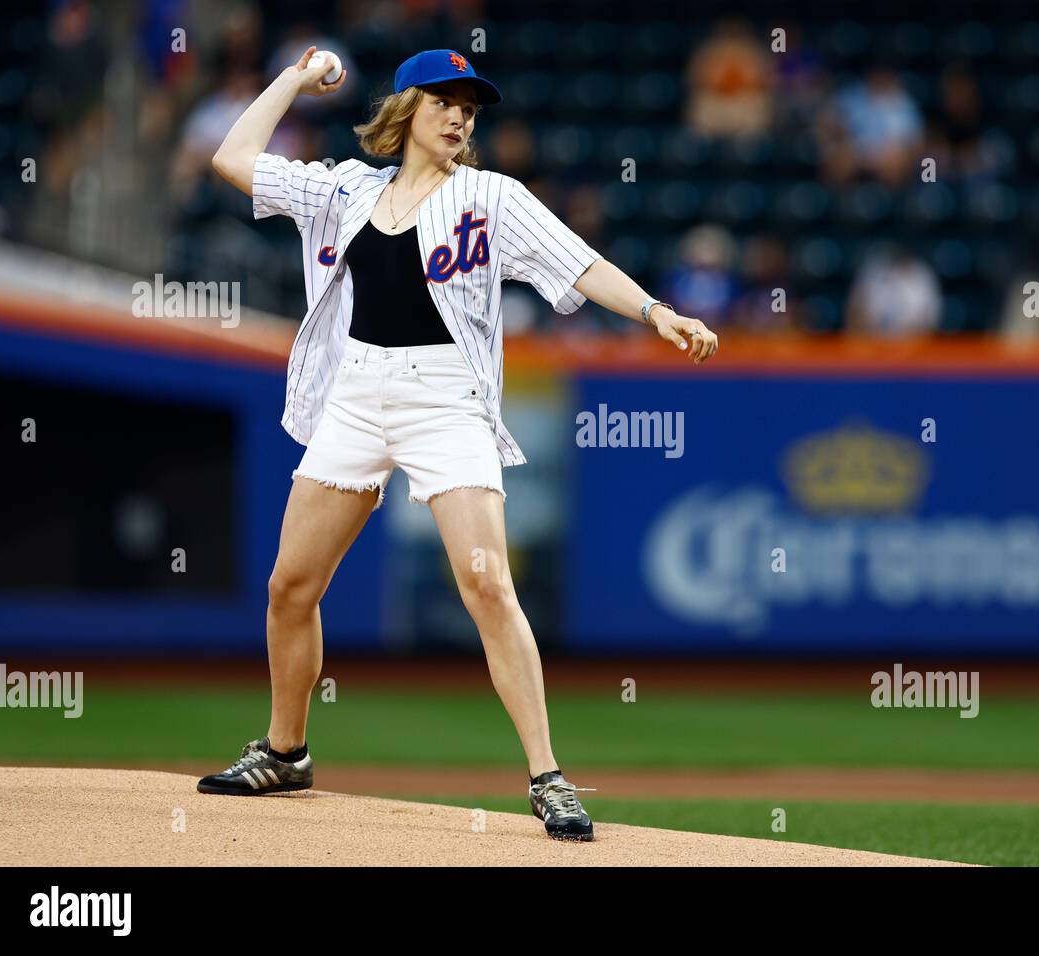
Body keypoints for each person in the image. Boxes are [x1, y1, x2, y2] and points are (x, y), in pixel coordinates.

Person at [199, 47, 719, 841]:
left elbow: (579, 266)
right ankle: (286, 749)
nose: (460, 117)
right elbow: (234, 158)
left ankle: (548, 777)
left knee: (487, 585)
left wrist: (656, 312)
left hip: (448, 399)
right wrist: (297, 80)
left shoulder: (489, 197)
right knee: (288, 588)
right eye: (445, 101)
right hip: (358, 392)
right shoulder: (346, 187)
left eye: (469, 108)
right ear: (407, 109)